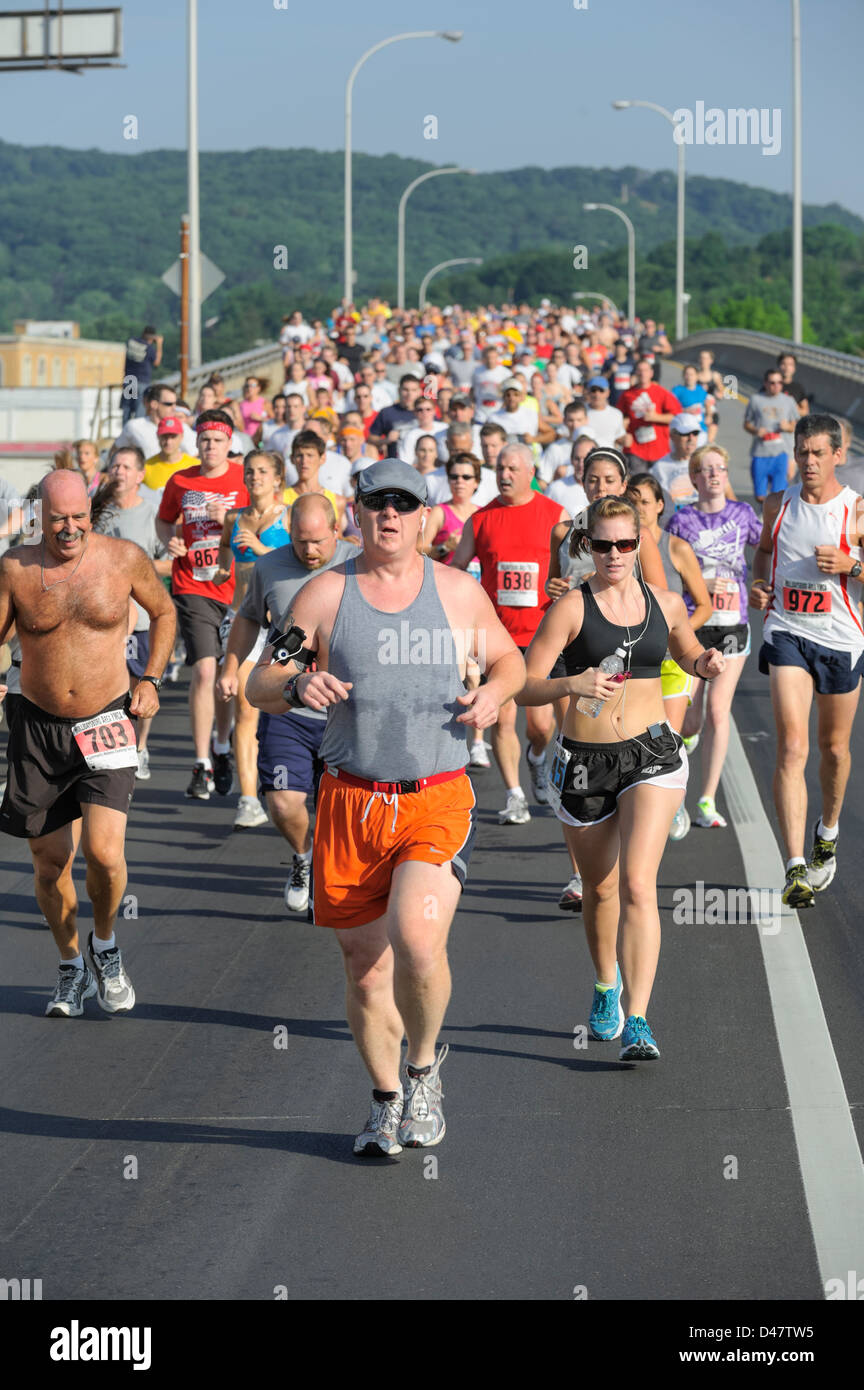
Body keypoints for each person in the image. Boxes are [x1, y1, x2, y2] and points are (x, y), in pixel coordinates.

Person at [245, 460, 524, 1155]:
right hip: (349, 799)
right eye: (378, 504)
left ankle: (423, 1070)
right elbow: (259, 682)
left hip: (434, 796)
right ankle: (385, 1100)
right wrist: (296, 683)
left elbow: (511, 661)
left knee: (417, 939)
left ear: (426, 517)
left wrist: (493, 695)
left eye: (405, 504)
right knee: (365, 968)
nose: (391, 516)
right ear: (357, 514)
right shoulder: (323, 596)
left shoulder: (458, 592)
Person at [517, 494, 724, 1059]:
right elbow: (525, 683)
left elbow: (688, 650)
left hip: (652, 753)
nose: (613, 554)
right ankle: (606, 984)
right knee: (600, 887)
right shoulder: (571, 609)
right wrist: (570, 684)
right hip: (586, 761)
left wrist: (707, 662)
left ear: (639, 544)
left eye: (624, 543)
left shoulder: (665, 600)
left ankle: (639, 1018)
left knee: (637, 882)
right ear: (587, 545)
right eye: (601, 544)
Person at [0, 469, 175, 1016]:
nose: (70, 528)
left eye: (78, 517)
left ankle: (105, 945)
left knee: (104, 852)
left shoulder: (122, 559)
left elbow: (165, 612)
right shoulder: (15, 569)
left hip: (107, 718)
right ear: (39, 518)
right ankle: (71, 966)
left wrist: (149, 679)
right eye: (58, 520)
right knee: (50, 865)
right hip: (38, 727)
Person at [750, 415, 864, 908]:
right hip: (787, 631)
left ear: (840, 454)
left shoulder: (856, 512)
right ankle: (795, 865)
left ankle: (828, 831)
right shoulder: (777, 504)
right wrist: (759, 586)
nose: (809, 462)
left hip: (841, 638)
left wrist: (852, 565)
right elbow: (763, 552)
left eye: (819, 453)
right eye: (803, 453)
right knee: (793, 746)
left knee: (833, 749)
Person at [451, 443, 568, 824]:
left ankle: (536, 758)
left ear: (530, 471)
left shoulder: (555, 515)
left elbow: (575, 572)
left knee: (541, 727)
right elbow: (456, 570)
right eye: (499, 468)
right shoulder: (481, 520)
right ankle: (514, 794)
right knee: (502, 719)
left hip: (544, 636)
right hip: (497, 640)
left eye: (512, 468)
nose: (504, 475)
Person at [665, 445, 762, 829]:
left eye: (720, 467)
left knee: (719, 711)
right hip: (694, 622)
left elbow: (769, 547)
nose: (715, 475)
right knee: (690, 720)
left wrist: (759, 583)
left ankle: (705, 799)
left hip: (733, 623)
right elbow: (670, 570)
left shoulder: (742, 514)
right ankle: (683, 760)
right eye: (706, 470)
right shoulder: (681, 522)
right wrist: (700, 583)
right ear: (694, 479)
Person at [156, 409, 249, 799]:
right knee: (205, 672)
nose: (210, 446)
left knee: (227, 679)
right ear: (196, 443)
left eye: (217, 440)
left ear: (229, 444)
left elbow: (256, 525)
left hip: (234, 589)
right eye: (204, 439)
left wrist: (228, 518)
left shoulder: (243, 480)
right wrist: (169, 542)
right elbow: (164, 521)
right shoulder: (181, 480)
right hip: (191, 583)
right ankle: (201, 763)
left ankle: (222, 746)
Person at [628, 472, 712, 839]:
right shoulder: (621, 548)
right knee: (636, 736)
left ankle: (674, 804)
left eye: (645, 502)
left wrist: (678, 633)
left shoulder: (677, 548)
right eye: (633, 502)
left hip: (673, 659)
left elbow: (705, 605)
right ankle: (638, 804)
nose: (639, 509)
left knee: (667, 737)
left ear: (660, 506)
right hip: (636, 659)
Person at [214, 450, 291, 829]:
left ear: (278, 478)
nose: (254, 477)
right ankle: (248, 799)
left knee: (284, 708)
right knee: (246, 708)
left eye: (262, 472)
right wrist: (217, 571)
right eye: (249, 472)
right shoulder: (234, 518)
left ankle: (290, 782)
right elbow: (225, 560)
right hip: (244, 619)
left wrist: (262, 551)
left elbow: (301, 562)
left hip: (284, 625)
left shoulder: (289, 515)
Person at [93, 447, 172, 780]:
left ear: (141, 475)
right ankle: (115, 745)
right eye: (114, 466)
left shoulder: (153, 514)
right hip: (103, 619)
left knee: (141, 683)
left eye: (126, 466)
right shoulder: (98, 514)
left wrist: (130, 568)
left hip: (141, 618)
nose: (119, 471)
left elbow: (169, 562)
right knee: (110, 684)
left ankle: (140, 747)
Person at [743, 368, 799, 503]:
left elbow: (797, 425)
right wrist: (756, 431)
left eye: (779, 382)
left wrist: (788, 427)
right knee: (760, 497)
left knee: (779, 496)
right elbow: (746, 424)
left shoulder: (788, 400)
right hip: (760, 453)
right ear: (765, 383)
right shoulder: (756, 400)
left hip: (781, 453)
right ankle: (766, 515)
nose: (776, 386)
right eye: (772, 383)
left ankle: (774, 522)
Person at [618, 360, 680, 471]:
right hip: (635, 449)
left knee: (659, 486)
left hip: (659, 450)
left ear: (651, 373)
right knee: (639, 484)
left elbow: (676, 417)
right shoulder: (627, 394)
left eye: (646, 370)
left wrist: (655, 417)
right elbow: (618, 417)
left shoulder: (661, 392)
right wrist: (622, 432)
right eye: (640, 370)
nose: (643, 373)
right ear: (636, 373)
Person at [115, 382, 199, 460]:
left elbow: (195, 455)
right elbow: (116, 451)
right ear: (154, 404)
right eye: (169, 404)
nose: (174, 408)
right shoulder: (134, 426)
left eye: (175, 404)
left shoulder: (181, 427)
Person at [367, 374, 421, 458]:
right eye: (405, 390)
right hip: (395, 464)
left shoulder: (426, 411)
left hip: (420, 464)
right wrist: (386, 440)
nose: (409, 394)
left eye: (413, 390)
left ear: (419, 392)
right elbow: (370, 438)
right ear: (399, 390)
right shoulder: (387, 412)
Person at [143, 415, 199, 495]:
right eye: (164, 437)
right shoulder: (146, 467)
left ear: (181, 437)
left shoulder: (196, 466)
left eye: (173, 437)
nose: (168, 442)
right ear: (158, 437)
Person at [121, 325, 163, 424]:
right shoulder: (150, 349)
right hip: (142, 381)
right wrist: (159, 344)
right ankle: (136, 431)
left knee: (127, 408)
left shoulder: (131, 341)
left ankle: (125, 430)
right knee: (139, 409)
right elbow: (156, 362)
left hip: (129, 379)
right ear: (153, 337)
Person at [584, 379, 627, 449]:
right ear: (588, 392)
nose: (597, 394)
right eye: (593, 390)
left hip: (608, 456)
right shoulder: (580, 412)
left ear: (608, 393)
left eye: (601, 390)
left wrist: (625, 440)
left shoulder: (616, 414)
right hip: (586, 457)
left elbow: (618, 437)